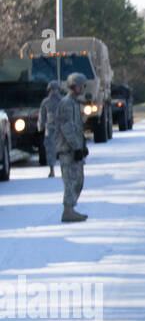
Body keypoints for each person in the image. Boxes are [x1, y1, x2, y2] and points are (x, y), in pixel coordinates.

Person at [50, 73, 90, 223]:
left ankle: (71, 208)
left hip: (74, 149)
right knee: (71, 181)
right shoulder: (66, 104)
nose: (83, 88)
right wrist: (76, 147)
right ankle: (68, 211)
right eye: (82, 86)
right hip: (68, 150)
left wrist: (82, 145)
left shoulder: (73, 103)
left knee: (78, 180)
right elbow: (67, 128)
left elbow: (77, 127)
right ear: (75, 86)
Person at [37, 80, 63, 178]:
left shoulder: (63, 101)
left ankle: (64, 169)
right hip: (50, 128)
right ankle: (51, 170)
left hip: (62, 129)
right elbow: (42, 115)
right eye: (52, 89)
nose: (54, 91)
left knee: (63, 149)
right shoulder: (45, 102)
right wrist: (41, 126)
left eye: (55, 89)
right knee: (50, 150)